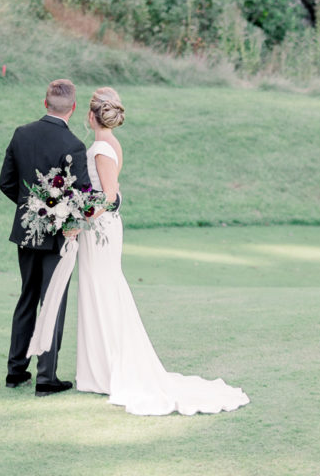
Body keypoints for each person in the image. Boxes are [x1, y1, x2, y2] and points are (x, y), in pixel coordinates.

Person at [76, 86, 250, 416]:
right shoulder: (111, 143)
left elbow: (109, 196)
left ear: (90, 115)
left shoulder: (100, 148)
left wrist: (81, 214)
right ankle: (99, 369)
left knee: (102, 290)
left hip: (99, 230)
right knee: (101, 290)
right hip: (102, 229)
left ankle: (104, 372)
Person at [0, 77, 89, 396]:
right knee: (53, 301)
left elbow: (6, 183)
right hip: (57, 236)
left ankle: (15, 371)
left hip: (26, 231)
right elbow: (82, 196)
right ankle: (46, 377)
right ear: (73, 108)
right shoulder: (74, 146)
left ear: (45, 102)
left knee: (27, 297)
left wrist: (33, 209)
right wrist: (56, 213)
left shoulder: (22, 134)